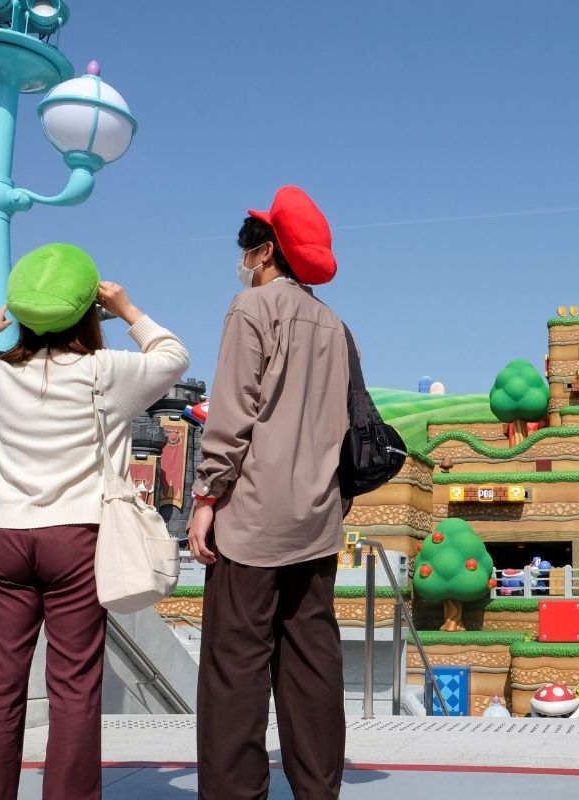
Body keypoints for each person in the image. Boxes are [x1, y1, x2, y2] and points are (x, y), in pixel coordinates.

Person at [0, 243, 189, 800]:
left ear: (24, 315)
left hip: (7, 539)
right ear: (87, 312)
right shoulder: (105, 372)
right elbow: (173, 354)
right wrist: (128, 310)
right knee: (74, 688)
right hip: (78, 539)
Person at [188, 185, 350, 800]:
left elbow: (232, 417)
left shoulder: (249, 310)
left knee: (236, 670)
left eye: (247, 253)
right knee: (312, 668)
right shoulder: (335, 326)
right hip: (316, 520)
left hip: (250, 518)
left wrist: (206, 499)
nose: (243, 265)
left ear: (265, 252)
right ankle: (317, 791)